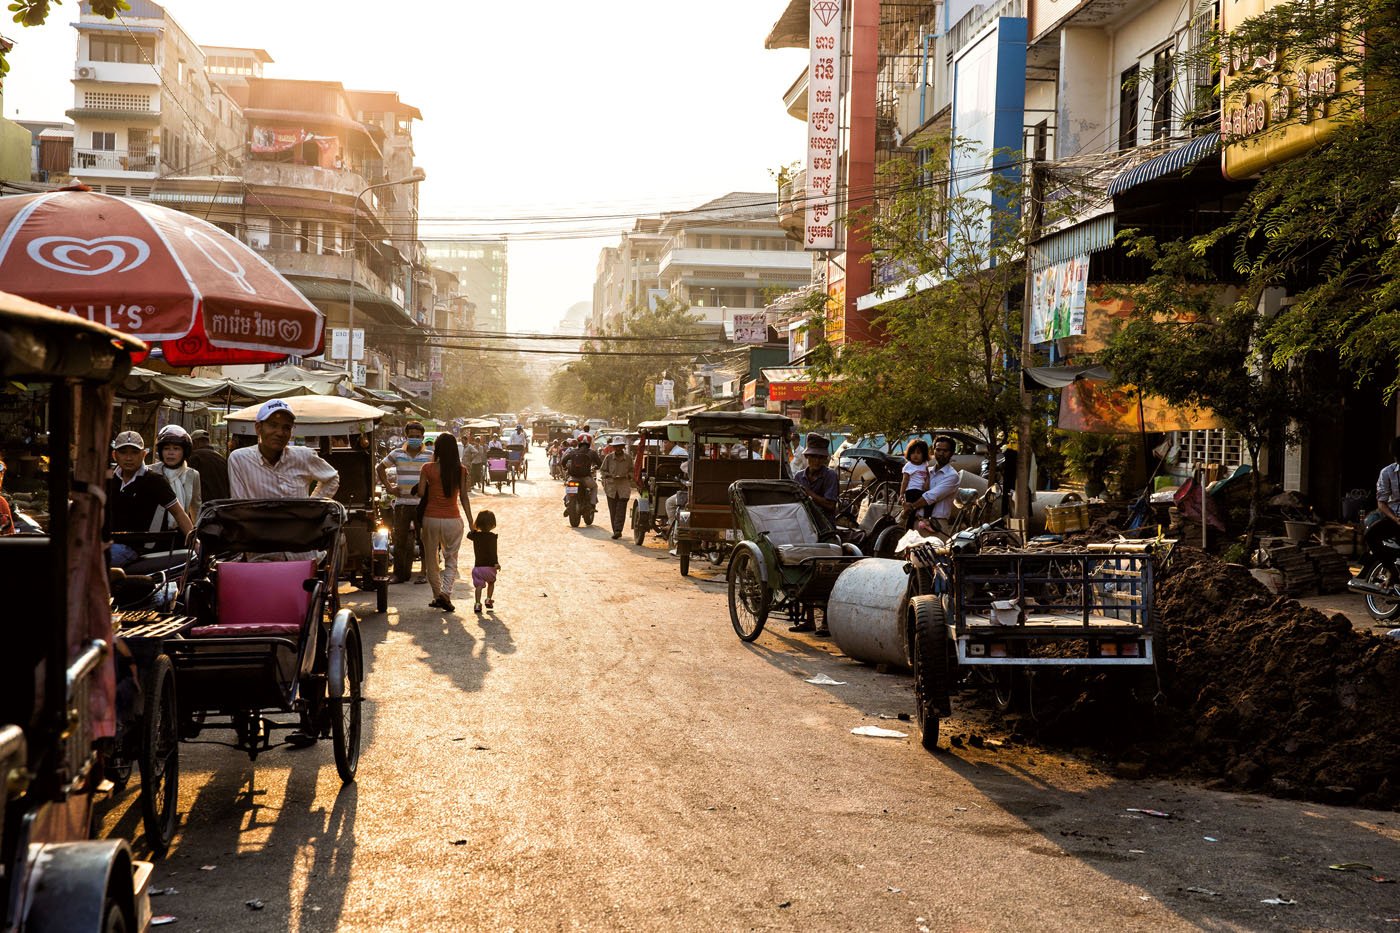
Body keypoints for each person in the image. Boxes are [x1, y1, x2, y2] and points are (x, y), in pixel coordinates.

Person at [106, 431, 193, 567]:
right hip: (105, 542)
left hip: (133, 547)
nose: (129, 458)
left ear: (144, 454)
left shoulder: (154, 480)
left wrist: (195, 541)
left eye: (134, 452)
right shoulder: (108, 479)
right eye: (123, 452)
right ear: (114, 455)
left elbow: (178, 512)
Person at [227, 399, 339, 499]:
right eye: (273, 425)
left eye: (286, 427)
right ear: (258, 428)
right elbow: (239, 505)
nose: (280, 433)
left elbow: (332, 478)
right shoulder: (240, 459)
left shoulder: (304, 456)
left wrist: (312, 506)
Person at [415, 432, 473, 613]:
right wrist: (471, 522)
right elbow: (464, 497)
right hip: (452, 520)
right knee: (451, 559)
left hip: (430, 519)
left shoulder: (427, 468)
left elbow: (421, 494)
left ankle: (436, 595)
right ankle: (446, 593)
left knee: (432, 560)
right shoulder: (461, 470)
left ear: (437, 448)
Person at [378, 421, 434, 583]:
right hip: (402, 504)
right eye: (411, 436)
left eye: (417, 437)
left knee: (424, 540)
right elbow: (380, 468)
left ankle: (424, 572)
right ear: (406, 437)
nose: (415, 439)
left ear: (422, 437)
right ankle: (399, 574)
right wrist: (389, 487)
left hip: (422, 505)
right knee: (399, 540)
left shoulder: (429, 456)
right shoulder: (396, 454)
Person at [906, 434, 960, 535]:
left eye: (945, 451)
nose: (941, 453)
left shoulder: (952, 476)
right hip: (916, 521)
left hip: (936, 525)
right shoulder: (927, 472)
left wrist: (911, 507)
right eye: (938, 450)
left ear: (952, 453)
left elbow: (931, 497)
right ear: (933, 451)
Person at [153, 425, 202, 531]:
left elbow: (196, 507)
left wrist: (196, 534)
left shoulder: (192, 475)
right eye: (166, 448)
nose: (171, 452)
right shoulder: (151, 472)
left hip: (181, 532)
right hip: (154, 532)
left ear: (185, 452)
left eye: (176, 449)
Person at [1365, 436, 1400, 567]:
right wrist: (1395, 519)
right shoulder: (1387, 472)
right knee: (1370, 536)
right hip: (1394, 519)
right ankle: (1392, 570)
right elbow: (1381, 503)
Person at [793, 433, 839, 520]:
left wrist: (807, 492)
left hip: (825, 525)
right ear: (807, 456)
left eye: (820, 457)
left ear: (824, 459)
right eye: (813, 457)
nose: (817, 461)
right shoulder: (798, 477)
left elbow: (830, 505)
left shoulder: (830, 475)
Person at [467, 510, 500, 614]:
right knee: (491, 582)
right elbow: (493, 551)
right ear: (492, 524)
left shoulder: (476, 536)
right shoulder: (492, 537)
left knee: (479, 586)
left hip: (478, 568)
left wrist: (474, 529)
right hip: (490, 567)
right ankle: (488, 599)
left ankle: (477, 604)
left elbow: (469, 535)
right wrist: (496, 563)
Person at [600, 436, 633, 539]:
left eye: (620, 446)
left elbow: (632, 471)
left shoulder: (628, 458)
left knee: (621, 509)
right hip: (611, 488)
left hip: (623, 488)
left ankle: (618, 530)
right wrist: (608, 475)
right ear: (613, 447)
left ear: (623, 447)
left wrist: (628, 475)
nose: (618, 448)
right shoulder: (608, 458)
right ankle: (615, 530)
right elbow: (602, 470)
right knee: (613, 510)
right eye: (616, 446)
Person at [561, 435, 601, 515]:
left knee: (569, 487)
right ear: (589, 443)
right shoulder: (592, 452)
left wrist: (565, 467)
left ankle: (568, 503)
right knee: (594, 487)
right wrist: (596, 467)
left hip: (573, 477)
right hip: (586, 478)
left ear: (579, 442)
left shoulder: (573, 451)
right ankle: (592, 505)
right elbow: (600, 463)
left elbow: (563, 460)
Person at [187, 429, 230, 501]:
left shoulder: (194, 457)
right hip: (220, 504)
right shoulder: (221, 458)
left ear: (195, 442)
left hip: (203, 504)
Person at [898, 439, 931, 530]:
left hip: (921, 490)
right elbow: (905, 480)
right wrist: (901, 493)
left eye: (918, 453)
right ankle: (908, 527)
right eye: (912, 453)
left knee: (929, 502)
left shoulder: (925, 464)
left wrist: (927, 484)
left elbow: (928, 476)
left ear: (924, 454)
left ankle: (925, 519)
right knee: (912, 512)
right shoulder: (908, 466)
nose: (915, 455)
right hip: (911, 490)